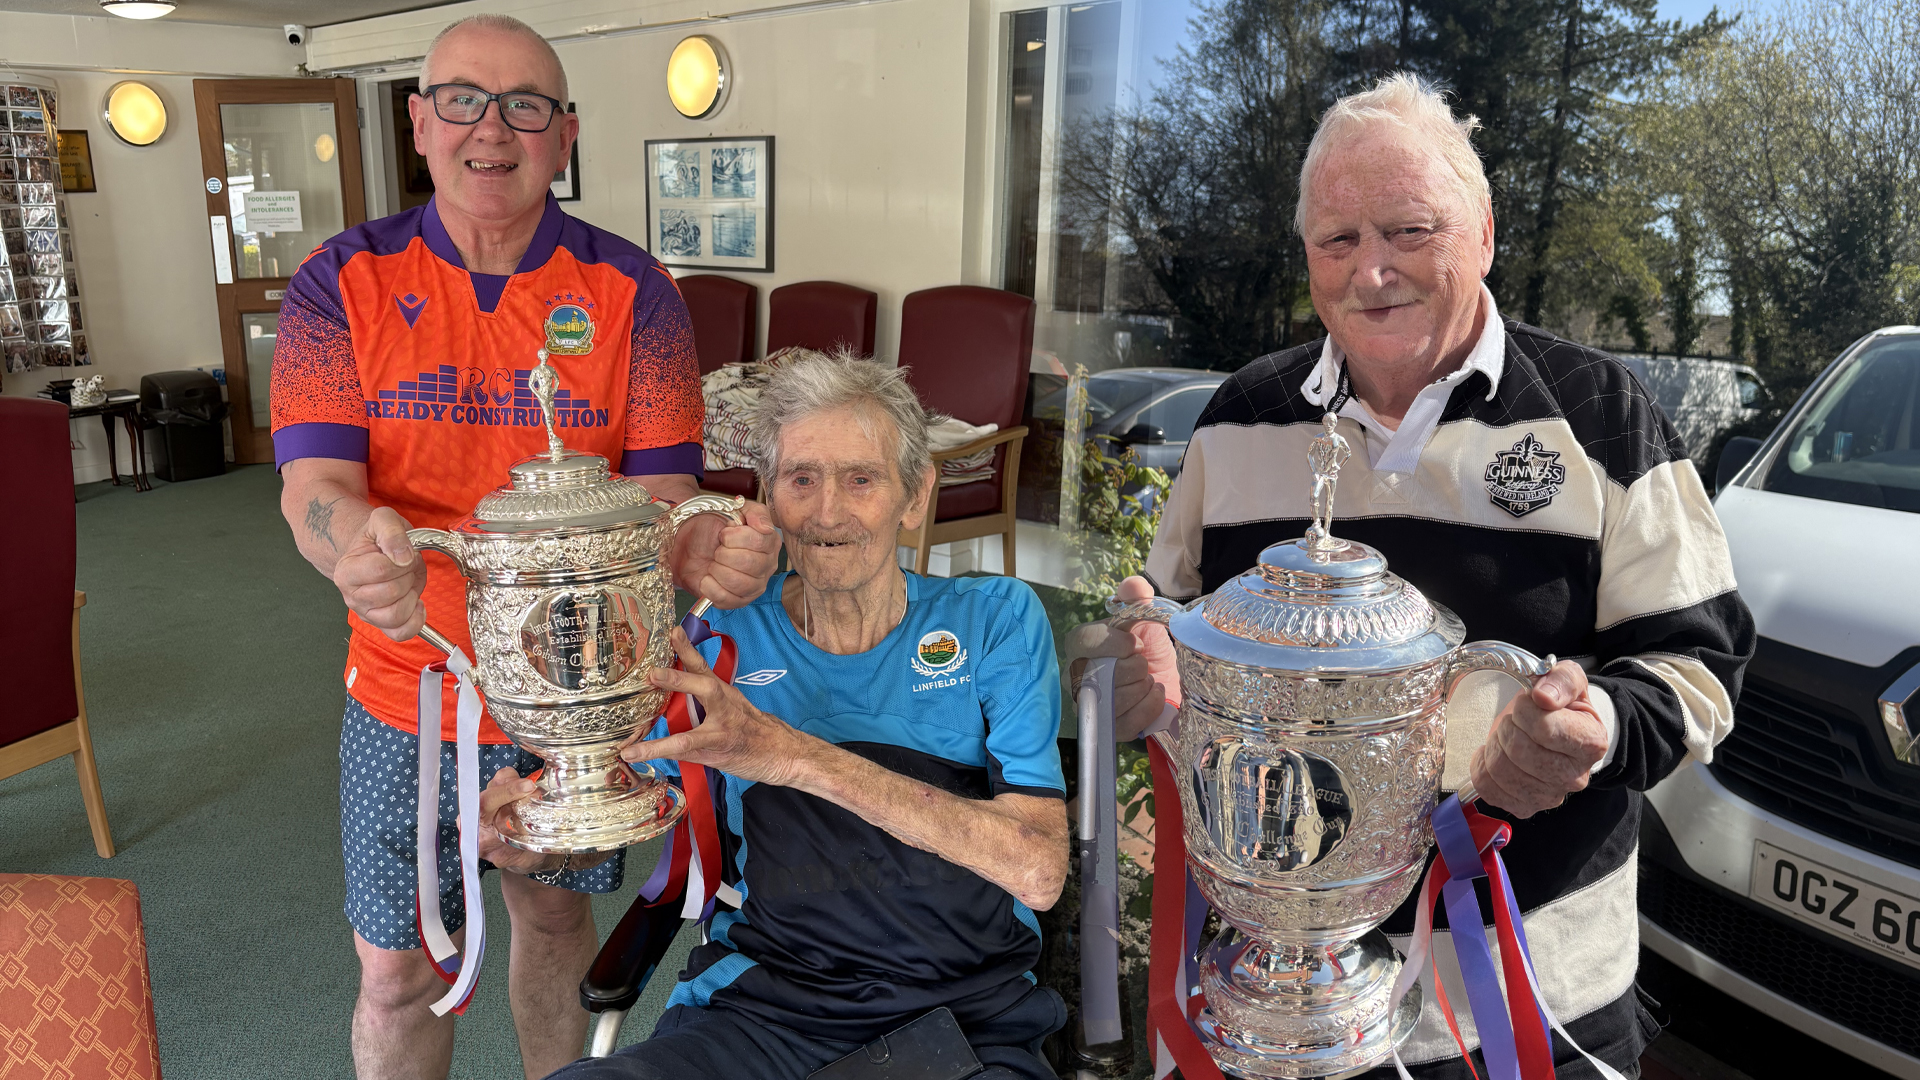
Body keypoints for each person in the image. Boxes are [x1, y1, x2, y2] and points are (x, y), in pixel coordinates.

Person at [1067, 73, 1755, 1078]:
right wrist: (1143, 671)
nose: (1372, 271)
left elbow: (1701, 664)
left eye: (1410, 231)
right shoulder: (1242, 416)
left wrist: (1592, 729)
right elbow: (1173, 629)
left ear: (1482, 231)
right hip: (1276, 994)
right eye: (1338, 241)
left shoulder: (1599, 410)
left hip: (1526, 1003)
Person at [270, 15, 781, 1079]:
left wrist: (702, 556)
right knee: (399, 973)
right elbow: (314, 482)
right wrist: (352, 546)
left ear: (565, 135)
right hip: (408, 693)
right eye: (461, 99)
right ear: (419, 122)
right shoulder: (339, 282)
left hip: (580, 698)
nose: (491, 129)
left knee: (555, 933)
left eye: (525, 106)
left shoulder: (638, 295)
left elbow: (662, 496)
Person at [487, 353, 1070, 1080]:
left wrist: (790, 755)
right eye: (801, 479)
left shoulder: (994, 621)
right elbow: (619, 802)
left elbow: (1038, 871)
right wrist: (533, 837)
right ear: (767, 495)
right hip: (761, 1014)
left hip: (963, 1020)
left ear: (915, 495)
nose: (826, 512)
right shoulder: (715, 643)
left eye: (861, 478)